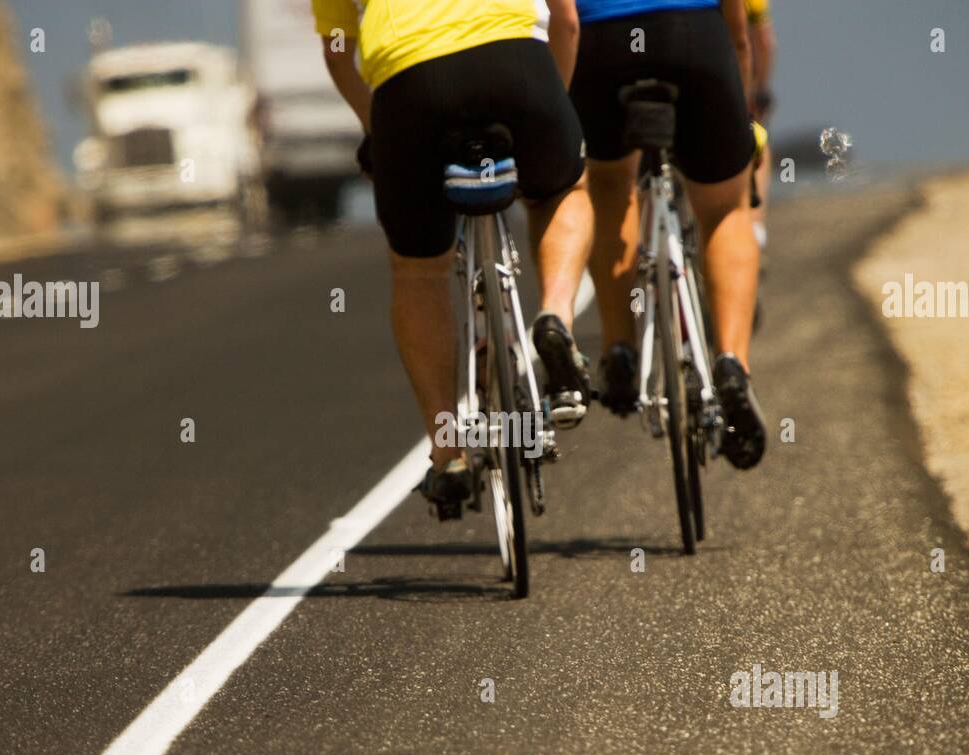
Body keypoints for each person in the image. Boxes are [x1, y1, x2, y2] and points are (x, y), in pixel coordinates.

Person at [312, 0, 595, 514]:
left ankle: (448, 456)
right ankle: (555, 316)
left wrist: (377, 129)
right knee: (563, 191)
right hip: (515, 61)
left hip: (410, 82)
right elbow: (568, 19)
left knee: (419, 269)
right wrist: (556, 113)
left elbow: (337, 54)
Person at [571, 0, 766, 469]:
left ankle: (619, 347)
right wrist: (738, 113)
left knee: (610, 186)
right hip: (694, 36)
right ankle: (732, 366)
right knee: (724, 209)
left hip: (599, 45)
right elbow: (739, 30)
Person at [745, 0, 777, 251]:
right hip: (727, 80)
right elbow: (765, 42)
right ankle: (755, 229)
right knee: (758, 141)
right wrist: (761, 88)